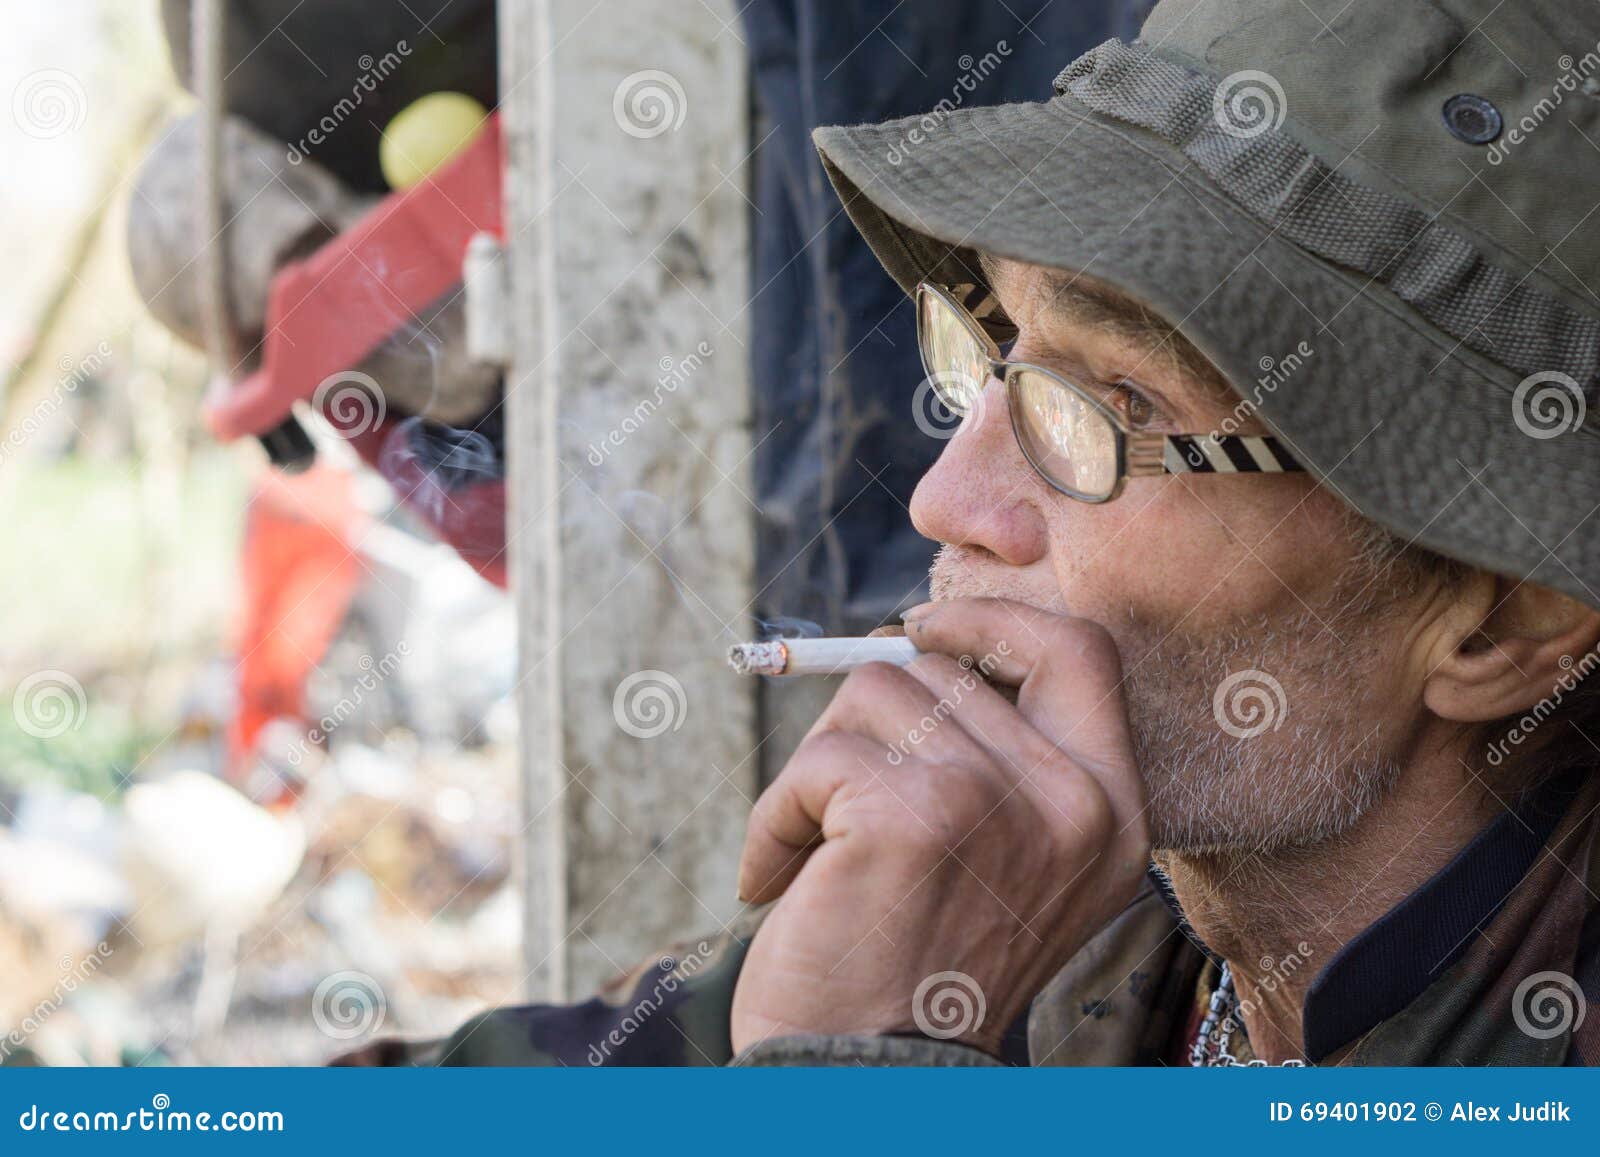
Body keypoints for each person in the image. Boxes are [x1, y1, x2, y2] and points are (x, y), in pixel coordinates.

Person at [342, 0, 1600, 1066]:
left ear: (1506, 618)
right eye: (993, 352)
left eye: (1117, 406)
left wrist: (857, 1066)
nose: (943, 503)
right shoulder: (1039, 905)